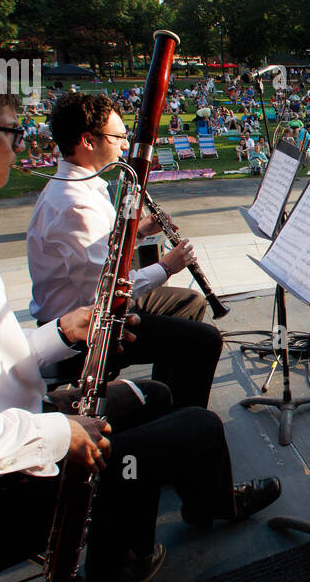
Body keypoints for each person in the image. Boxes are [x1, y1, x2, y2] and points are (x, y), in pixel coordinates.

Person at [0, 54, 279, 582]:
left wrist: (57, 335)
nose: (20, 144)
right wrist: (59, 433)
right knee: (194, 425)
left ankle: (124, 552)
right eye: (8, 130)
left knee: (161, 396)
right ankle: (116, 572)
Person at [27, 94, 236, 417]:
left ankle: (166, 397)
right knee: (205, 340)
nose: (125, 146)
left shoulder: (78, 186)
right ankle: (182, 425)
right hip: (83, 333)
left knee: (189, 303)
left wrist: (137, 234)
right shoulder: (74, 204)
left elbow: (99, 255)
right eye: (119, 137)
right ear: (87, 140)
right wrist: (167, 267)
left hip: (89, 310)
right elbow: (106, 293)